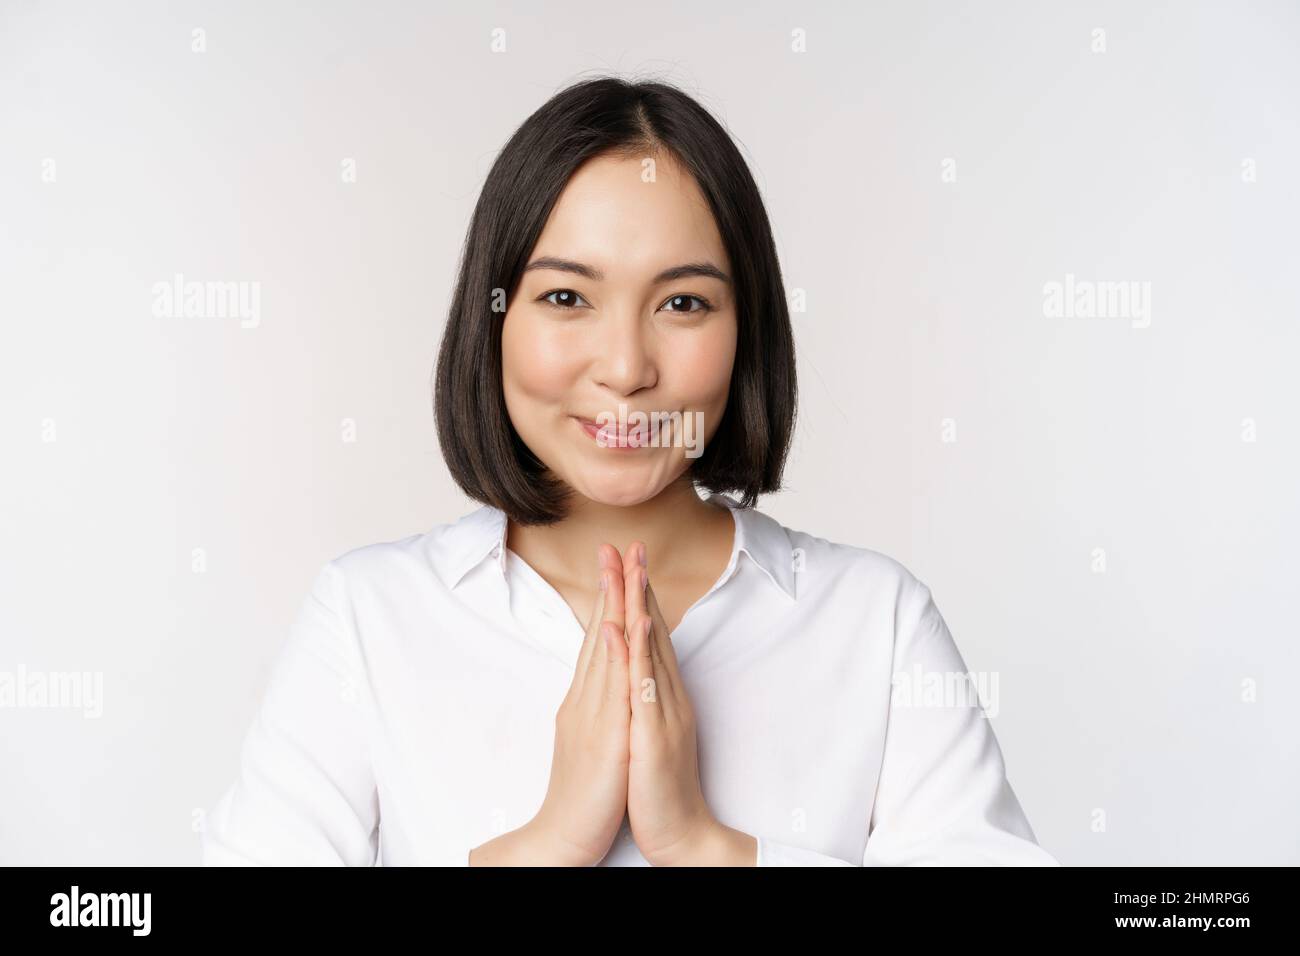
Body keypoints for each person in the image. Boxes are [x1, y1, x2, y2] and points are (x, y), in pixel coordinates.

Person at [202, 76, 1058, 866]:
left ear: (745, 328)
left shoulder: (877, 621)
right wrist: (544, 845)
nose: (625, 366)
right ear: (492, 318)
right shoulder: (368, 616)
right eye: (567, 298)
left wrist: (706, 846)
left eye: (683, 303)